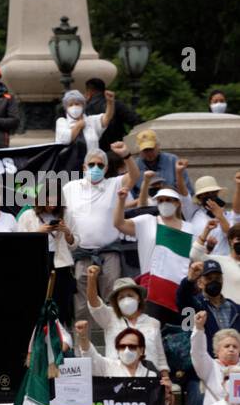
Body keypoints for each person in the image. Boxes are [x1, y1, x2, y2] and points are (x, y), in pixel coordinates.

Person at [64, 145, 138, 327]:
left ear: (106, 168)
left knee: (112, 299)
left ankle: (115, 345)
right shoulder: (70, 188)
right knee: (82, 304)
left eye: (100, 165)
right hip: (80, 254)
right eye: (91, 164)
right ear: (83, 167)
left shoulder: (114, 184)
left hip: (109, 252)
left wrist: (126, 155)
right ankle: (83, 348)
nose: (95, 168)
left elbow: (135, 176)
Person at [85, 275, 167, 380]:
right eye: (121, 297)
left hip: (149, 380)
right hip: (117, 379)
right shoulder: (109, 318)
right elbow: (94, 303)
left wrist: (166, 379)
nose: (126, 300)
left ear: (138, 298)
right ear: (116, 302)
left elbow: (161, 358)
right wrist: (92, 278)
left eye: (130, 295)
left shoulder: (153, 323)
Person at [17, 186, 77, 325]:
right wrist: (38, 232)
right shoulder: (28, 215)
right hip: (36, 261)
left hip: (60, 262)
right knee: (37, 298)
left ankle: (61, 333)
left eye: (56, 200)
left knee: (61, 300)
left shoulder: (67, 215)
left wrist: (67, 232)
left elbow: (74, 243)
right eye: (49, 199)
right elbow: (19, 242)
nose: (52, 204)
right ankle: (38, 332)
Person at [190, 312, 240, 405]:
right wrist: (199, 328)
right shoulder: (209, 367)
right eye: (227, 346)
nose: (231, 349)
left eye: (235, 346)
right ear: (217, 351)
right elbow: (198, 351)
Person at [132, 129, 193, 200]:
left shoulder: (172, 160)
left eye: (151, 149)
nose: (149, 153)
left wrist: (167, 189)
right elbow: (130, 196)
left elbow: (188, 192)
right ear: (138, 150)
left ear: (158, 146)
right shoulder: (134, 166)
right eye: (145, 150)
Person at [54, 88, 109, 153]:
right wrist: (78, 125)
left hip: (90, 160)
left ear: (83, 106)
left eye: (77, 104)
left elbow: (107, 118)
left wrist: (110, 103)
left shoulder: (91, 120)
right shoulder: (62, 122)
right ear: (66, 108)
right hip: (70, 162)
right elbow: (65, 140)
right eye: (70, 105)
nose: (74, 107)